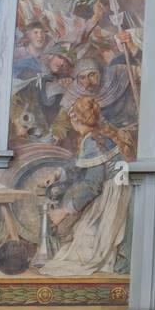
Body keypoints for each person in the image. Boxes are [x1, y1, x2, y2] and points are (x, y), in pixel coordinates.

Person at [40, 96, 129, 276]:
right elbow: (79, 162)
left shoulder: (92, 141)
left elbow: (92, 186)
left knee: (83, 249)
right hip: (119, 191)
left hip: (112, 196)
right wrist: (57, 173)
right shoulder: (97, 137)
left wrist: (63, 212)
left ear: (74, 119)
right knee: (81, 236)